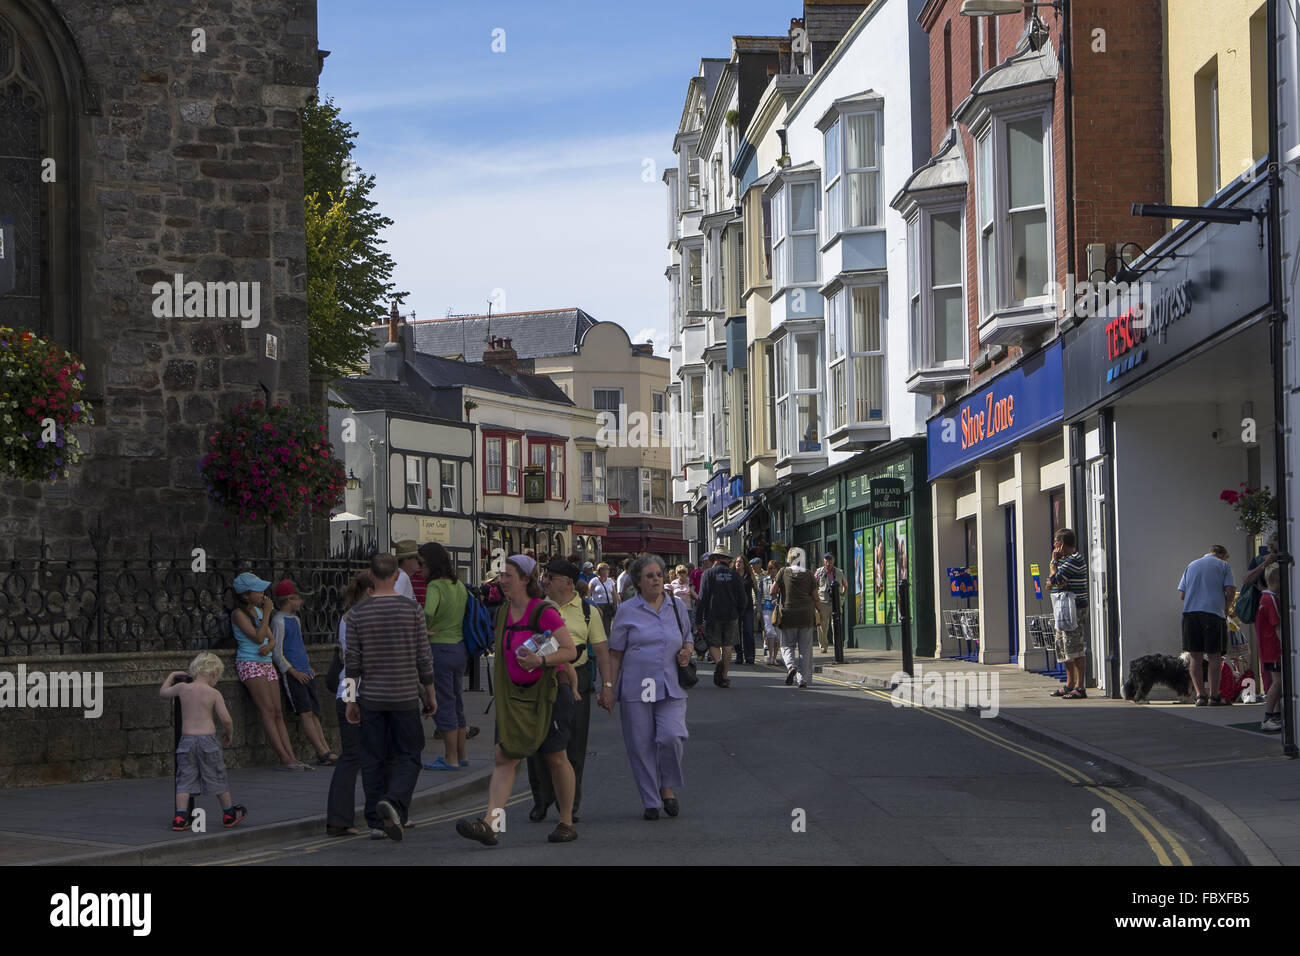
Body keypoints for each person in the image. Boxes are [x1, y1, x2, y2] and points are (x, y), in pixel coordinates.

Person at [456, 555, 580, 847]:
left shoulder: (543, 611)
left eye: (508, 575)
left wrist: (540, 659)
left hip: (547, 695)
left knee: (555, 758)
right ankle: (491, 825)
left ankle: (566, 822)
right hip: (513, 697)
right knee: (504, 757)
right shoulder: (502, 613)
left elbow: (569, 651)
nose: (502, 580)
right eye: (501, 575)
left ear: (526, 579)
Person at [344, 552, 437, 841]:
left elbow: (352, 662)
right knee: (409, 755)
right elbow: (424, 656)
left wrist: (350, 700)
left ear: (371, 575)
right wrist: (430, 694)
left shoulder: (356, 614)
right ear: (397, 576)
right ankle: (395, 802)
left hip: (372, 698)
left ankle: (376, 821)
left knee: (372, 758)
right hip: (405, 695)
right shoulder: (412, 610)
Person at [602, 553, 693, 820]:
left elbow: (687, 638)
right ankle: (651, 801)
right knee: (641, 745)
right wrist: (608, 687)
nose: (656, 579)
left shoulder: (676, 607)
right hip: (637, 685)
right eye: (649, 576)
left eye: (659, 575)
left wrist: (687, 651)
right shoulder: (627, 611)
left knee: (671, 737)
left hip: (670, 684)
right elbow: (615, 653)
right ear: (637, 582)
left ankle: (666, 786)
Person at [528, 558, 612, 823]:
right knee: (538, 744)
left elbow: (601, 652)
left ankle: (570, 804)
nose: (544, 581)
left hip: (578, 681)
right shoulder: (538, 609)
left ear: (566, 583)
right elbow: (526, 646)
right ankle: (542, 799)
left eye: (549, 577)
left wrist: (607, 687)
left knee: (574, 746)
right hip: (541, 679)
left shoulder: (588, 611)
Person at [231, 572, 309, 770]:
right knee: (266, 710)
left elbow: (270, 637)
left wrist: (270, 643)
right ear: (246, 595)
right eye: (258, 591)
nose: (263, 594)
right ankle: (283, 757)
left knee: (277, 711)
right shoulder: (239, 614)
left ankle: (291, 756)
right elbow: (258, 637)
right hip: (250, 662)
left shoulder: (258, 612)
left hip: (266, 662)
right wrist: (267, 613)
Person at [162, 652, 246, 830]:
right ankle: (229, 814)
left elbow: (163, 692)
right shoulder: (214, 693)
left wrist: (171, 675)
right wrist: (229, 733)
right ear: (214, 674)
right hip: (207, 741)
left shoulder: (182, 688)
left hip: (186, 741)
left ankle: (180, 817)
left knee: (184, 779)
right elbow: (226, 719)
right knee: (217, 776)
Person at [326, 571, 373, 837]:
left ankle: (341, 818)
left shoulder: (348, 617)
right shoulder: (358, 618)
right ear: (369, 592)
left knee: (354, 756)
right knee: (356, 755)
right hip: (355, 690)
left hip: (346, 689)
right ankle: (343, 818)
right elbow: (358, 660)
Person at [270, 580, 337, 766]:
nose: (301, 602)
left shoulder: (296, 620)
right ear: (289, 599)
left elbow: (298, 646)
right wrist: (292, 671)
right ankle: (321, 751)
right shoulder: (278, 621)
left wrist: (307, 665)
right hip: (294, 674)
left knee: (314, 712)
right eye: (298, 598)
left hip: (305, 671)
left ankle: (325, 749)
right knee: (306, 712)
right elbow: (277, 651)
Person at [418, 542, 470, 772]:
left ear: (430, 563)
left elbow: (428, 611)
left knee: (444, 703)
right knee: (457, 702)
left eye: (421, 563)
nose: (420, 569)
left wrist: (424, 626)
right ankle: (461, 755)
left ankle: (450, 759)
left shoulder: (435, 587)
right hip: (459, 648)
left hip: (439, 648)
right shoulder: (458, 584)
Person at [1177, 544, 1235, 706]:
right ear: (1222, 555)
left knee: (1195, 656)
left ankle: (1200, 695)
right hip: (1213, 614)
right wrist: (1226, 607)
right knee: (1214, 656)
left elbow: (1182, 594)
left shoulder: (1191, 565)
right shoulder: (1224, 566)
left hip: (1190, 615)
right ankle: (1214, 696)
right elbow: (1230, 591)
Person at [694, 547, 745, 687]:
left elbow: (702, 598)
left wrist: (698, 619)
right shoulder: (735, 575)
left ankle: (718, 663)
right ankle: (724, 676)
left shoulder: (707, 574)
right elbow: (743, 598)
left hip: (712, 614)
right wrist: (739, 613)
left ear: (714, 558)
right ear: (727, 560)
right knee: (728, 645)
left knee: (713, 643)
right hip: (731, 615)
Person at [1049, 529, 1090, 699]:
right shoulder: (1065, 561)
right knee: (1063, 646)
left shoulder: (1075, 560)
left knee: (1075, 647)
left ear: (1062, 544)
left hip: (1075, 608)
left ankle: (1080, 687)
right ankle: (1069, 684)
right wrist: (1055, 577)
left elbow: (1053, 581)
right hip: (1063, 607)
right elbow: (1051, 583)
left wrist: (1053, 562)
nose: (1054, 545)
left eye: (1055, 542)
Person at [772, 548, 821, 687]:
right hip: (806, 616)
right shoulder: (809, 575)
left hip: (788, 615)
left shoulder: (783, 572)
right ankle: (802, 679)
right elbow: (816, 598)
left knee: (787, 645)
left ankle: (791, 666)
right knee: (805, 649)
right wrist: (821, 615)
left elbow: (772, 591)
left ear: (789, 558)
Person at [1241, 533, 1280, 694]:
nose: (1272, 550)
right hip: (1266, 610)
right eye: (1271, 547)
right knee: (1268, 653)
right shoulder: (1260, 559)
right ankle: (1271, 695)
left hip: (1281, 607)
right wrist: (1265, 562)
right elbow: (1247, 579)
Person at [1258, 565, 1283, 731]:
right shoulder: (1271, 599)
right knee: (1278, 682)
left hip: (1267, 648)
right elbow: (1277, 625)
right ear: (1277, 581)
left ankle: (1275, 716)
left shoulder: (1264, 598)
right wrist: (1285, 645)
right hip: (1273, 648)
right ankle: (1268, 717)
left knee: (1277, 681)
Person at [814, 553, 847, 654]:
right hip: (823, 601)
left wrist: (842, 597)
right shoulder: (819, 572)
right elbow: (813, 585)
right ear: (824, 561)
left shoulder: (839, 572)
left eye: (830, 560)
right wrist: (816, 600)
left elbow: (845, 585)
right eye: (826, 560)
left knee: (835, 624)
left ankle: (837, 644)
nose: (828, 562)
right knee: (823, 625)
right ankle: (823, 646)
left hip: (835, 602)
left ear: (834, 560)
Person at [732, 555, 757, 665]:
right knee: (736, 633)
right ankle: (739, 655)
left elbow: (757, 590)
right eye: (737, 562)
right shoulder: (731, 576)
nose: (738, 563)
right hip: (735, 608)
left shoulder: (749, 575)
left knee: (748, 631)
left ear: (744, 564)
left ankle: (750, 656)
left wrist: (758, 607)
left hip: (748, 608)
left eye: (741, 562)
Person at [758, 559, 780, 666]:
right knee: (770, 632)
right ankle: (770, 656)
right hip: (767, 607)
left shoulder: (781, 580)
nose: (773, 570)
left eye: (774, 568)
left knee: (778, 635)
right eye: (771, 568)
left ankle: (775, 657)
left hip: (779, 609)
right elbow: (759, 596)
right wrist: (758, 609)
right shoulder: (764, 580)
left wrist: (778, 599)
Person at [589, 561, 620, 632]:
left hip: (608, 605)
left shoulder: (610, 581)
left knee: (607, 625)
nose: (607, 571)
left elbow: (614, 594)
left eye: (607, 569)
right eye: (604, 569)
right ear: (600, 571)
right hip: (598, 605)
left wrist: (615, 605)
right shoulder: (594, 581)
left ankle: (607, 640)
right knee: (598, 625)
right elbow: (588, 594)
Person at [395, 539, 427, 607]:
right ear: (406, 560)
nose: (419, 561)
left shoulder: (401, 575)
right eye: (416, 558)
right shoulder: (402, 577)